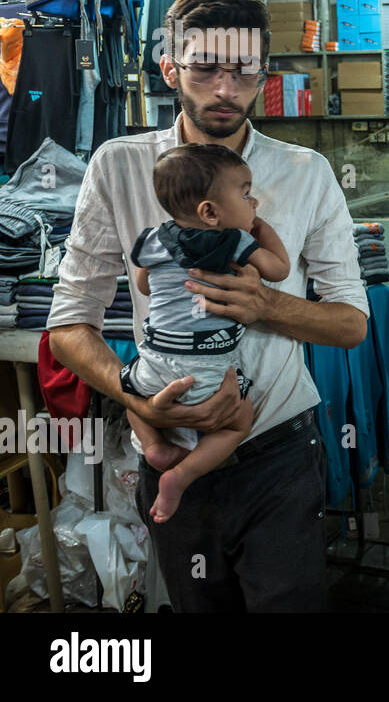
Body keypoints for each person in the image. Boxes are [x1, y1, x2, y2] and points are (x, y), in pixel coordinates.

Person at [48, 0, 369, 612]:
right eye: (205, 68)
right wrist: (137, 397)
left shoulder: (305, 172)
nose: (226, 88)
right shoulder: (119, 166)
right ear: (169, 68)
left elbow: (351, 323)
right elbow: (68, 325)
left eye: (243, 70)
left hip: (276, 446)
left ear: (263, 73)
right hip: (171, 453)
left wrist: (266, 305)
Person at [125, 144, 291, 523]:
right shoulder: (234, 241)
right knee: (239, 421)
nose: (253, 202)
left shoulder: (153, 238)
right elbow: (279, 270)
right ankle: (181, 476)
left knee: (130, 394)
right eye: (246, 194)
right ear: (210, 212)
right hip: (206, 364)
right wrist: (261, 229)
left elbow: (144, 285)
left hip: (154, 357)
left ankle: (153, 446)